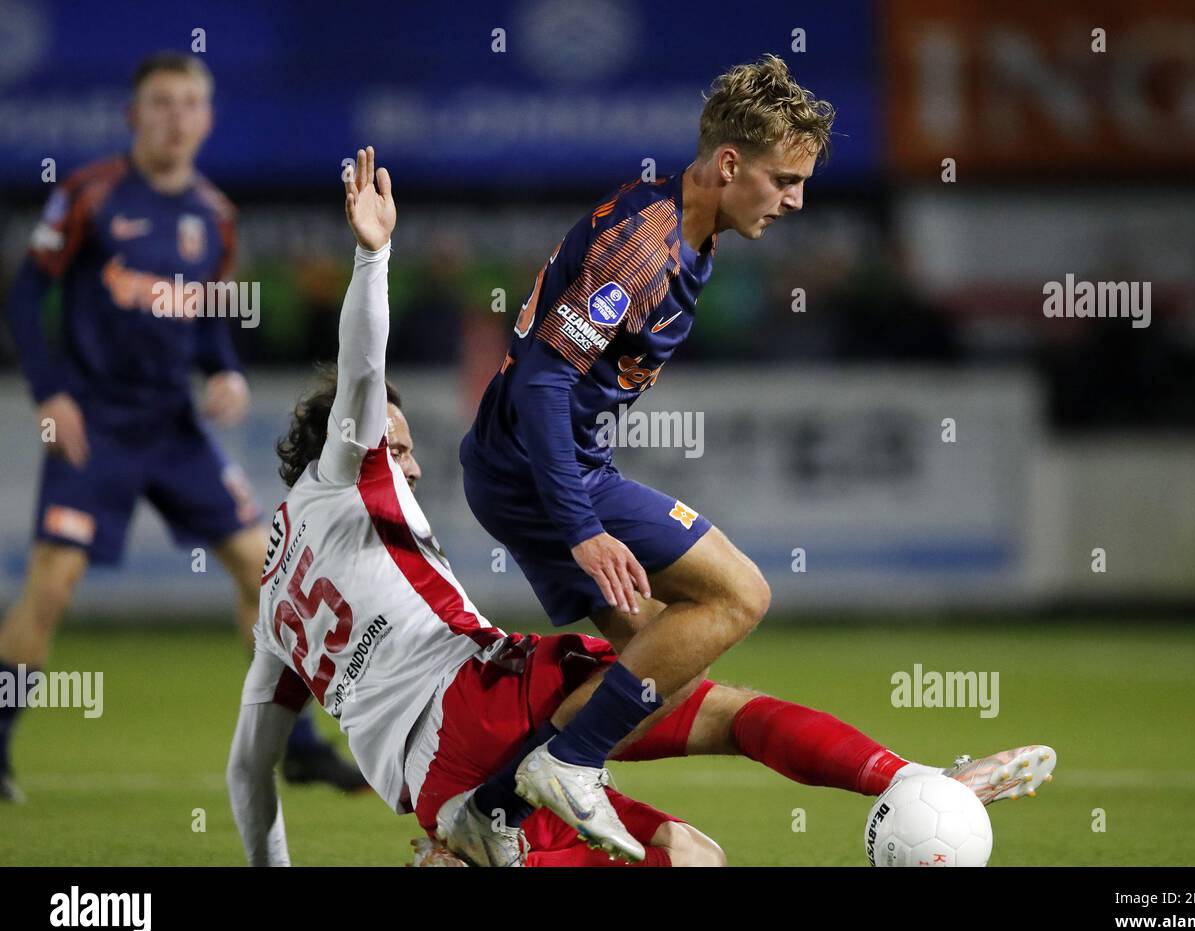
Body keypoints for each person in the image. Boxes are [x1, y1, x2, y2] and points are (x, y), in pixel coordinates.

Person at [227, 147, 1057, 868]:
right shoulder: (346, 472)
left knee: (693, 773)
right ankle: (556, 782)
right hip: (484, 702)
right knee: (732, 630)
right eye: (396, 449)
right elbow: (363, 369)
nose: (405, 465)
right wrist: (374, 258)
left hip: (443, 778)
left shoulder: (276, 611)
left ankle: (907, 780)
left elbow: (248, 770)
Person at [458, 53, 837, 857]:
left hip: (525, 469)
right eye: (784, 179)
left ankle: (491, 812)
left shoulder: (685, 233)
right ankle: (567, 765)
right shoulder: (644, 247)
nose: (795, 200)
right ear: (730, 163)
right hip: (543, 470)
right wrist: (582, 527)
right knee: (739, 596)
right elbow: (543, 381)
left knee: (657, 661)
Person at [0, 51, 362, 804]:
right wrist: (52, 392)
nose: (174, 117)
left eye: (189, 103)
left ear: (207, 118)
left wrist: (224, 369)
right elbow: (28, 293)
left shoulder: (213, 216)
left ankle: (296, 746)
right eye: (160, 102)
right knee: (53, 584)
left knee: (263, 573)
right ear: (134, 115)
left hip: (174, 423)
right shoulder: (90, 196)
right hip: (94, 423)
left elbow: (203, 318)